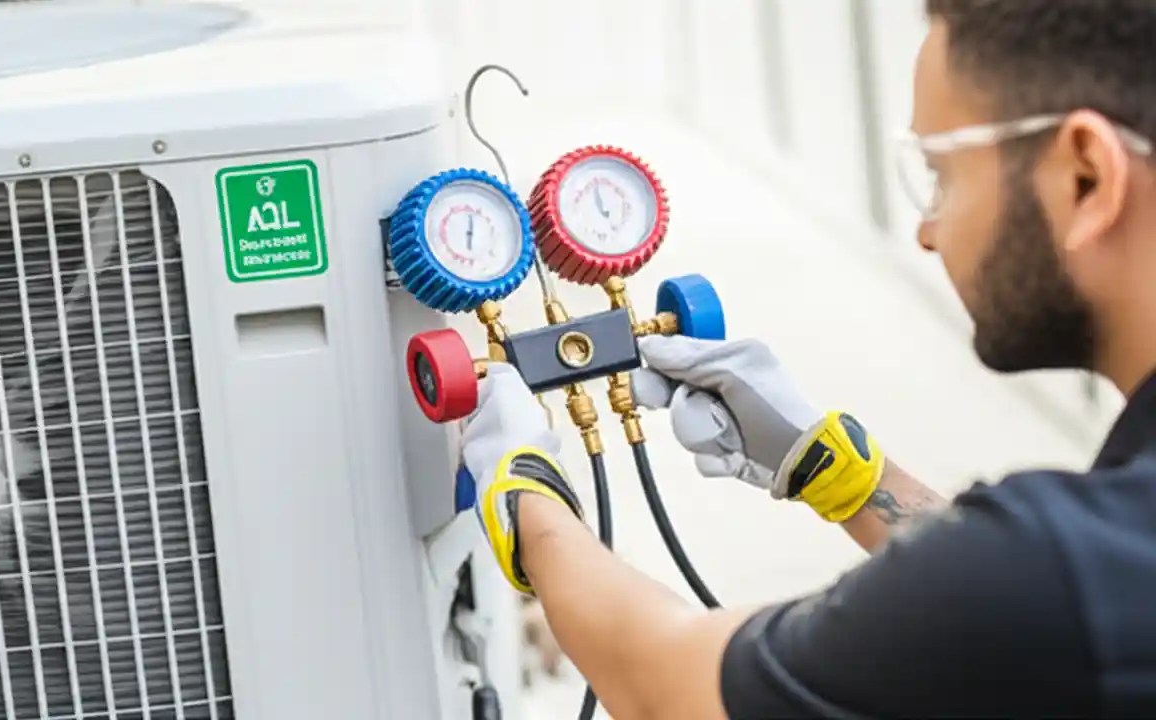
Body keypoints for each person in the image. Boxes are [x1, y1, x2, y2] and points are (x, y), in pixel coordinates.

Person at [459, 1, 1156, 718]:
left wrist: (526, 497)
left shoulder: (1066, 566)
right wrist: (843, 474)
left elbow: (667, 685)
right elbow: (1015, 610)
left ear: (1086, 177)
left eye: (941, 174)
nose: (926, 230)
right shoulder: (1101, 559)